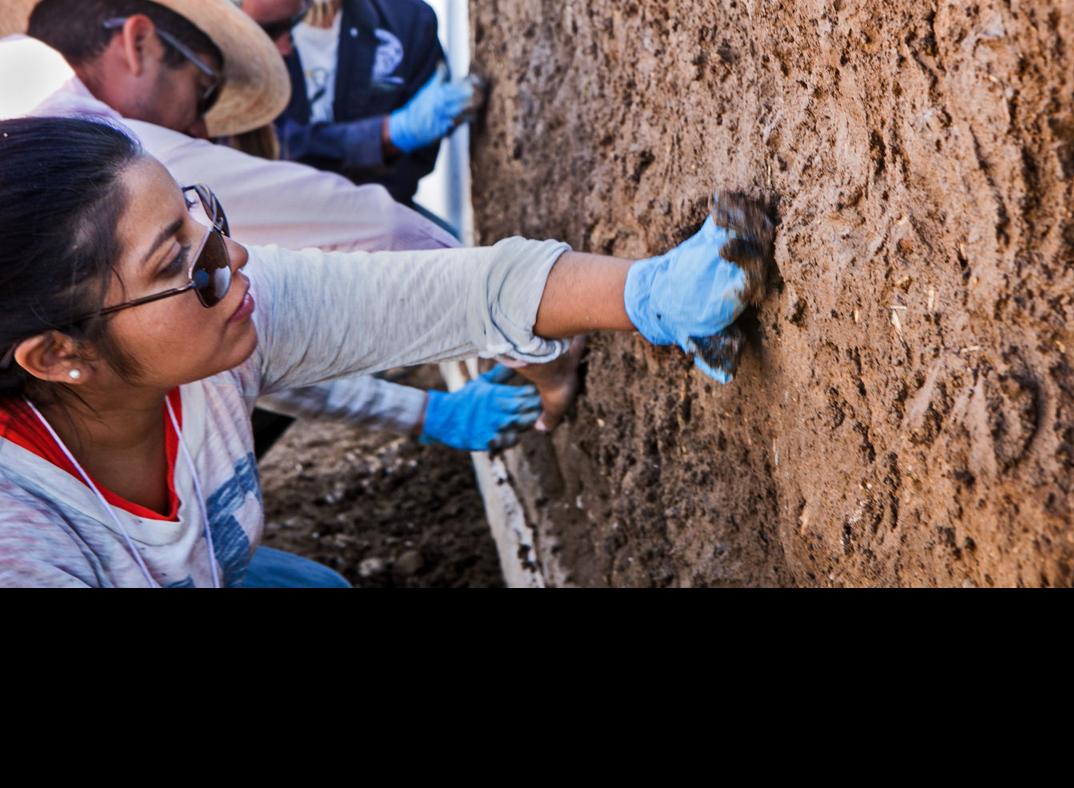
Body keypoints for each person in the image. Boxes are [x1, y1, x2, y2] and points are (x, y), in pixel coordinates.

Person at [0, 116, 757, 588]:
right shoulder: (23, 545)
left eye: (202, 218)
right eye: (178, 262)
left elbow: (450, 293)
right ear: (58, 355)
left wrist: (646, 293)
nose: (234, 257)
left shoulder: (222, 318)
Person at [3, 0, 584, 454]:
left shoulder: (24, 142)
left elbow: (246, 345)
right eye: (204, 91)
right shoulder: (116, 163)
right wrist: (529, 329)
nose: (200, 129)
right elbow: (387, 233)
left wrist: (424, 413)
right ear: (139, 43)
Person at [238, 0, 481, 209]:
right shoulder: (246, 23)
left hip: (380, 213)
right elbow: (261, 149)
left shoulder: (410, 20)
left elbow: (414, 164)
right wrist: (388, 134)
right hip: (276, 217)